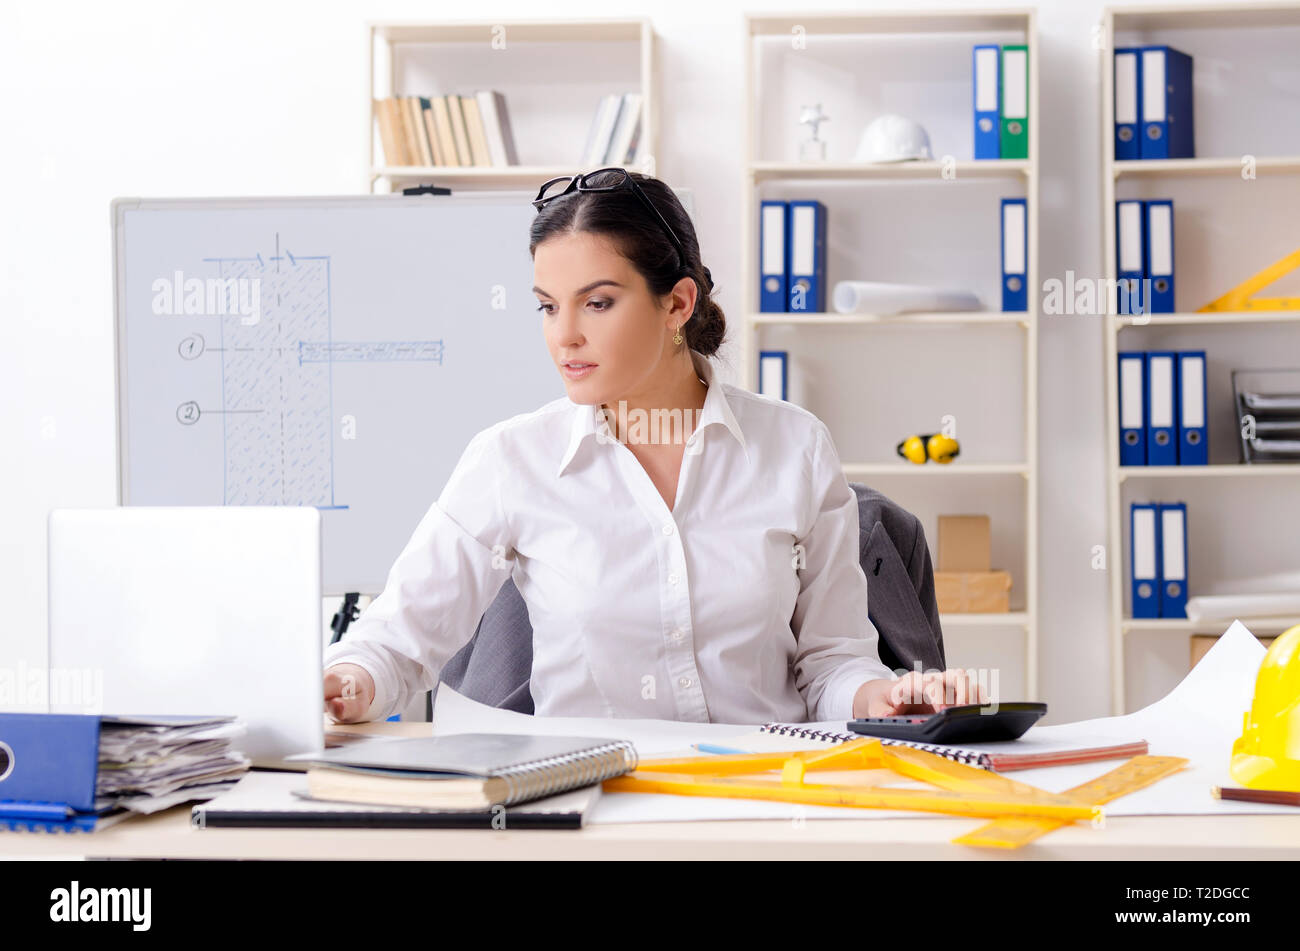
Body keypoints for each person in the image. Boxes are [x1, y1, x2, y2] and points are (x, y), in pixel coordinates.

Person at [324, 168, 984, 724]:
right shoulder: (511, 460)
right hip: (593, 804)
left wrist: (886, 695)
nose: (564, 336)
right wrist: (349, 682)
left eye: (598, 303)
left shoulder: (795, 447)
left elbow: (831, 663)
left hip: (760, 807)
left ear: (677, 305)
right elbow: (398, 638)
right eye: (547, 307)